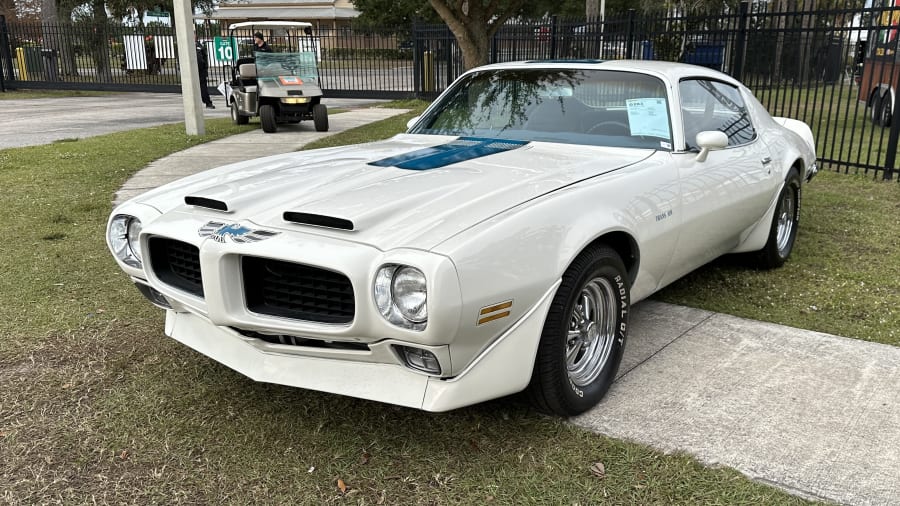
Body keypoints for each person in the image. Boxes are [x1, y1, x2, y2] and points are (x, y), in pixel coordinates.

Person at [195, 39, 214, 109]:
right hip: (191, 71)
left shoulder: (200, 46)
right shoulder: (186, 45)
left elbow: (205, 57)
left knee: (203, 88)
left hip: (201, 71)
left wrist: (205, 68)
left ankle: (208, 102)